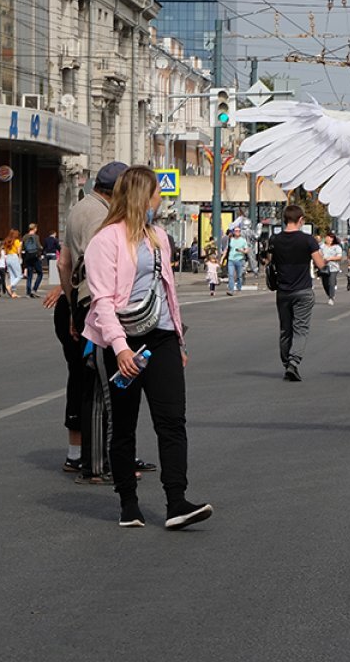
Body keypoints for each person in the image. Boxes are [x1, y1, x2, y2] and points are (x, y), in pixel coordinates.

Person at [83, 166, 212, 530]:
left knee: (172, 420)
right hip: (119, 340)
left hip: (162, 337)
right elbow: (103, 302)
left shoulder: (158, 236)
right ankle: (128, 502)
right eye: (158, 194)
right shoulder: (105, 240)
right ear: (143, 196)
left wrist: (178, 339)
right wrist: (121, 349)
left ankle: (177, 503)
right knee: (123, 424)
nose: (161, 200)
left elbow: (167, 290)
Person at [41, 161, 130, 482]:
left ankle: (76, 455)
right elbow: (98, 266)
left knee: (79, 380)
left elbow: (64, 263)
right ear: (118, 190)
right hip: (94, 306)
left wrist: (67, 297)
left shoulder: (78, 209)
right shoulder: (101, 217)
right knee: (103, 385)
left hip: (74, 305)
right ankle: (102, 457)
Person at [268, 204, 326, 381]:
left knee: (285, 329)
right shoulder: (308, 240)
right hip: (303, 290)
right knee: (300, 329)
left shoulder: (274, 240)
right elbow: (320, 264)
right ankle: (293, 363)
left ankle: (287, 363)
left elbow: (269, 263)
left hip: (283, 291)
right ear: (300, 220)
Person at [320, 232, 344, 305]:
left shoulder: (337, 247)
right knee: (325, 283)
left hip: (333, 267)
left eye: (330, 237)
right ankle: (329, 294)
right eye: (327, 237)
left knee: (331, 282)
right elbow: (318, 254)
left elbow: (339, 257)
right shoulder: (322, 246)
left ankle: (331, 297)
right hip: (324, 267)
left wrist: (330, 259)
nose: (328, 238)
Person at [22, 223, 44, 298]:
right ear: (34, 228)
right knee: (40, 273)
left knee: (29, 275)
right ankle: (34, 289)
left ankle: (28, 293)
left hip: (28, 257)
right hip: (35, 257)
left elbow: (23, 248)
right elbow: (38, 246)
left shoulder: (25, 237)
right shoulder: (36, 237)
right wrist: (41, 249)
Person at [225, 227, 248, 295]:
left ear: (240, 232)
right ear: (233, 232)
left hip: (240, 260)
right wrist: (222, 258)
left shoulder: (243, 240)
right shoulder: (230, 240)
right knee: (231, 275)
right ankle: (231, 290)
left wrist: (242, 251)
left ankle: (239, 287)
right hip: (231, 259)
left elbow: (247, 250)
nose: (237, 232)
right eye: (236, 231)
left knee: (239, 276)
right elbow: (227, 249)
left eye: (238, 231)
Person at [3, 228, 23, 298]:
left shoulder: (6, 241)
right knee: (19, 275)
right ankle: (10, 286)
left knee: (12, 276)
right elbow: (18, 251)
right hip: (14, 257)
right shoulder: (16, 241)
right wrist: (20, 257)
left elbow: (5, 251)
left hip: (8, 257)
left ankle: (13, 292)